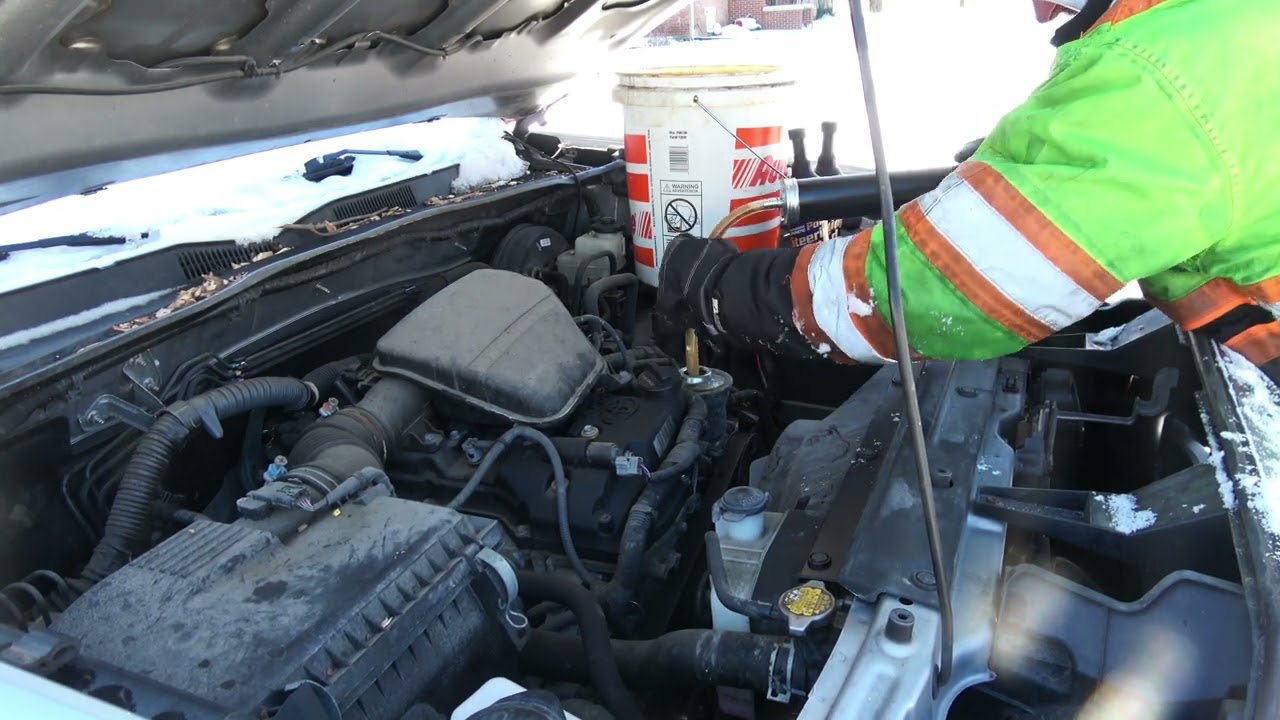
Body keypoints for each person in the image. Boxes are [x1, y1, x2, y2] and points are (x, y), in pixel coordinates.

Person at [656, 0, 1280, 379]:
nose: (1042, 14)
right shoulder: (1218, 28)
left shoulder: (1168, 72)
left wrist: (729, 294)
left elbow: (949, 287)